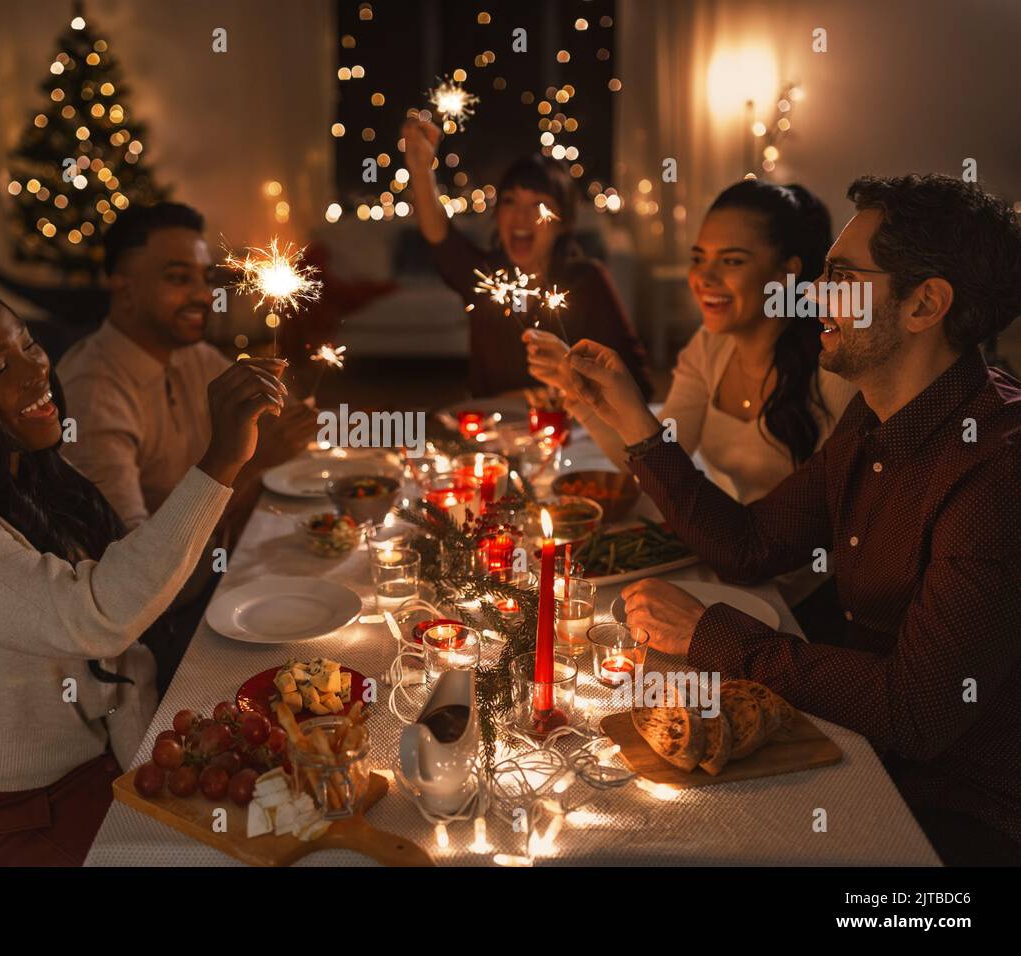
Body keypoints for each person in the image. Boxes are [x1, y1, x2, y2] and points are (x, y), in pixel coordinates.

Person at [560, 173, 1021, 865]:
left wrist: (713, 633)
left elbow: (917, 712)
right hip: (857, 743)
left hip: (953, 813)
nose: (811, 295)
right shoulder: (874, 414)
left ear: (924, 304)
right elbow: (753, 545)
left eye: (840, 275)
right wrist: (631, 415)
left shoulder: (994, 468)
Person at [0, 292, 287, 865]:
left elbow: (131, 595)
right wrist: (221, 461)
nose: (38, 371)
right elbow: (96, 616)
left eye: (29, 343)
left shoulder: (29, 471)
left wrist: (158, 765)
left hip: (88, 776)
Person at [525, 179, 859, 609]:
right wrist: (579, 393)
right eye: (698, 259)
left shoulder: (834, 369)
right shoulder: (710, 346)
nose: (705, 278)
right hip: (726, 550)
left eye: (732, 260)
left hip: (806, 589)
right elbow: (659, 467)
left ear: (786, 272)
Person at [57, 203, 317, 688]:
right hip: (156, 638)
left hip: (218, 578)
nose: (202, 295)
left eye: (204, 278)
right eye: (179, 278)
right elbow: (134, 590)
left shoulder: (195, 358)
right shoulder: (95, 396)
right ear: (122, 284)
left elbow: (273, 430)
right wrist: (254, 463)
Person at [400, 115, 651, 399]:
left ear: (563, 221)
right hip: (496, 429)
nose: (521, 216)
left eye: (538, 205)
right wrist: (421, 170)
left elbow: (638, 383)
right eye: (510, 201)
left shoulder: (587, 281)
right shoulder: (486, 277)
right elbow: (441, 239)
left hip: (572, 429)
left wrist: (572, 377)